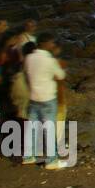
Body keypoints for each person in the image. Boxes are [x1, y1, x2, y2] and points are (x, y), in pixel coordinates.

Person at [23, 33, 68, 169]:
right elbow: (61, 75)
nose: (53, 45)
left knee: (31, 128)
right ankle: (51, 161)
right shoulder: (49, 60)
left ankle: (28, 156)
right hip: (48, 98)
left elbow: (26, 74)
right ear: (45, 44)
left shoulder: (29, 58)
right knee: (49, 129)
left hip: (33, 97)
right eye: (52, 43)